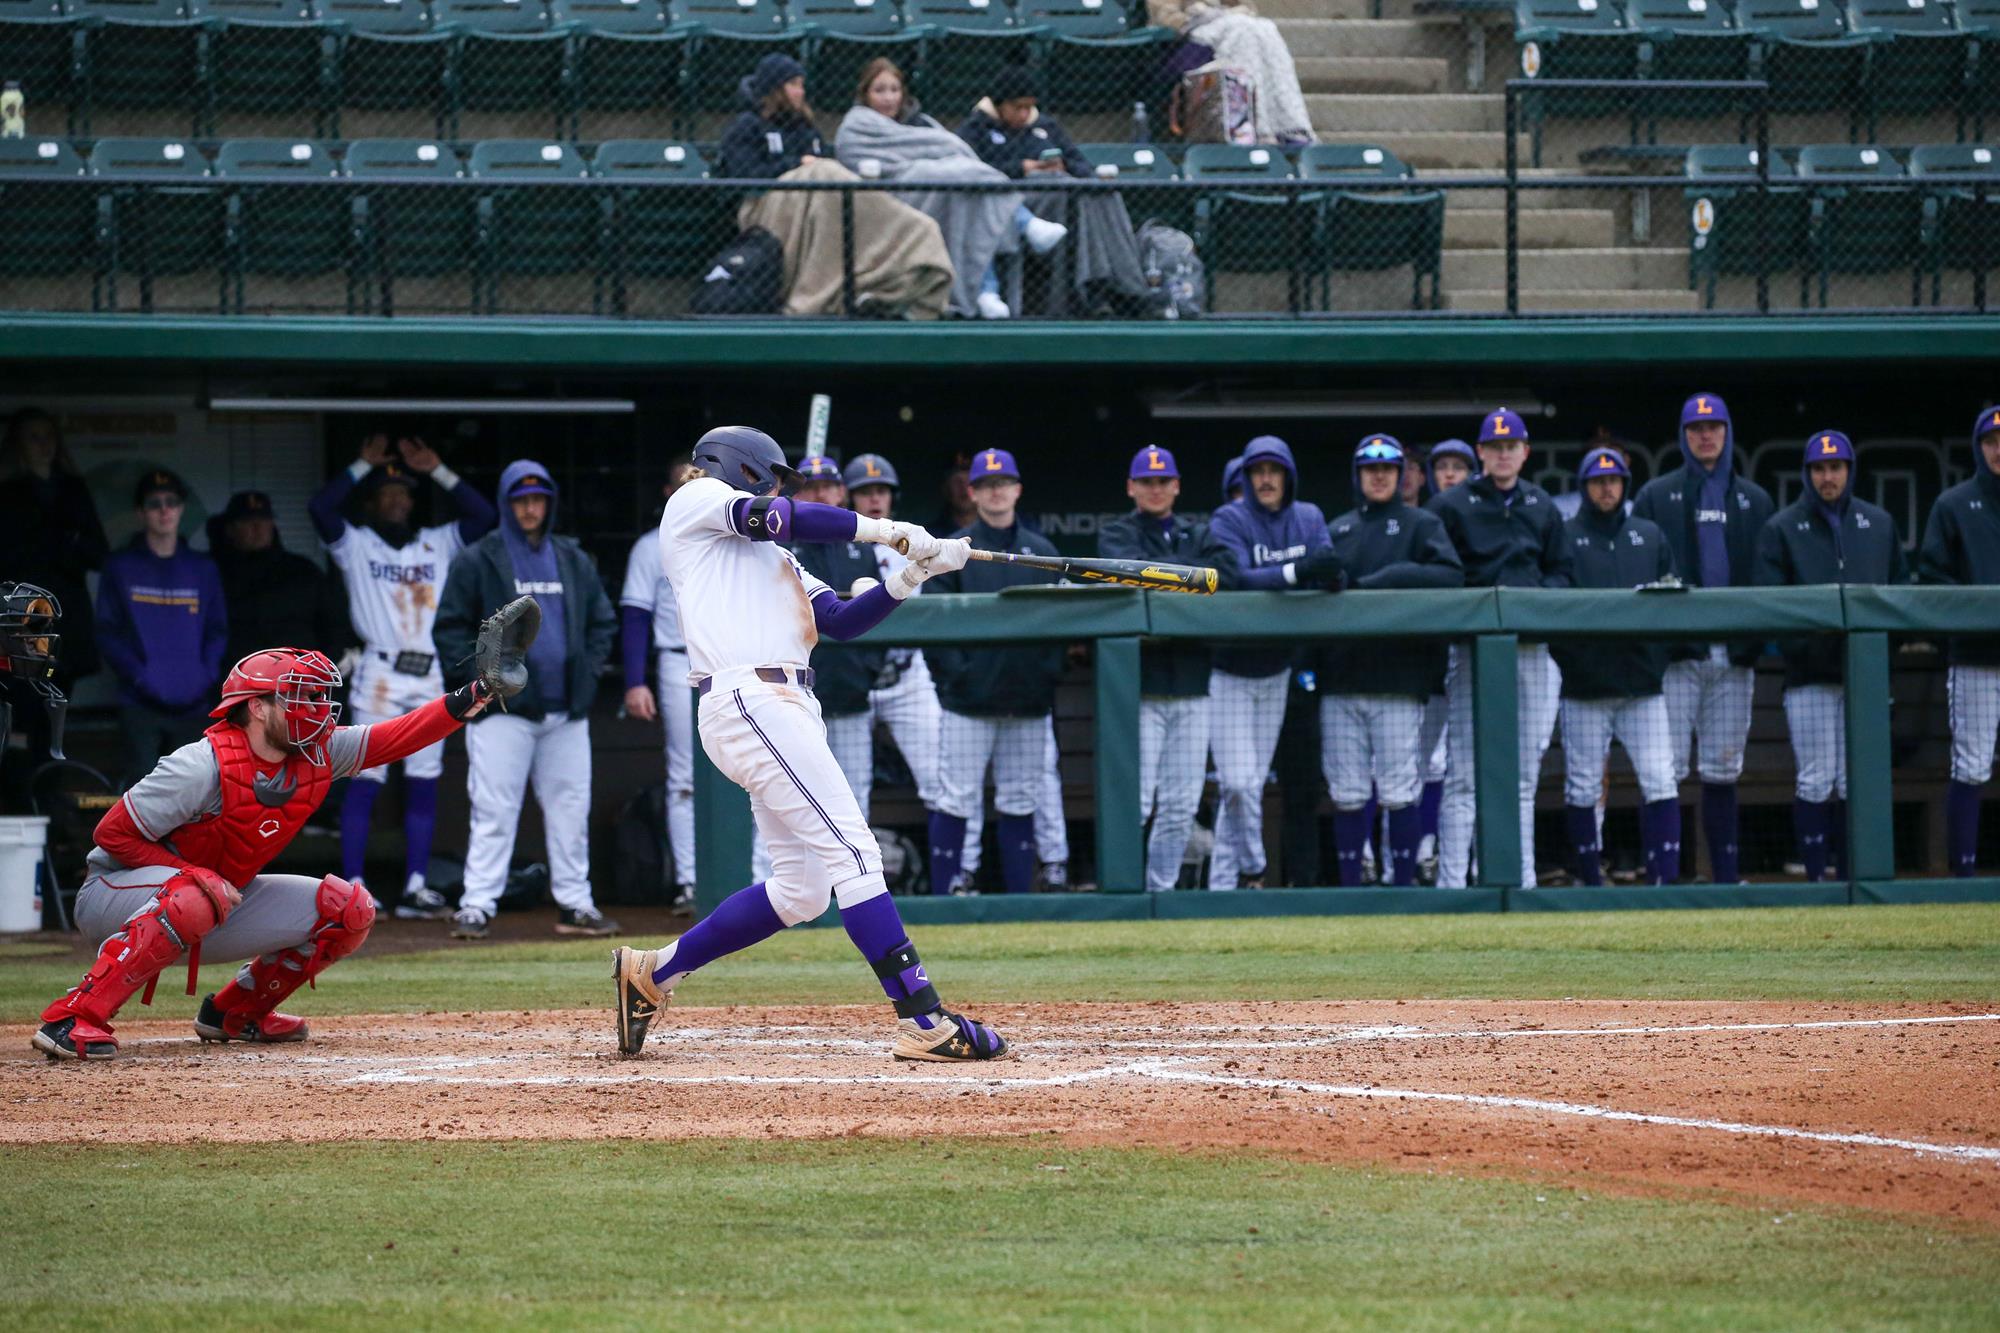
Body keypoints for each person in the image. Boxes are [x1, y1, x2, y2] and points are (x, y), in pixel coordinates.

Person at [609, 425, 1009, 1063]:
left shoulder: (779, 560)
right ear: (744, 469)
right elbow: (775, 515)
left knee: (801, 889)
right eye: (771, 475)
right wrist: (883, 529)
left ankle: (652, 973)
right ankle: (924, 1019)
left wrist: (914, 574)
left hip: (786, 704)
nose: (775, 485)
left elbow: (843, 622)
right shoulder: (695, 500)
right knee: (855, 851)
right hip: (750, 698)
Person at [31, 646, 497, 1060]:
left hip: (212, 897)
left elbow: (395, 736)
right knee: (195, 894)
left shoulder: (317, 752)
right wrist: (191, 872)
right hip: (114, 894)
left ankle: (235, 1013)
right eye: (300, 698)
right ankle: (71, 1018)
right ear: (256, 707)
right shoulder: (199, 766)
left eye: (318, 697)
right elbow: (112, 836)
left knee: (348, 908)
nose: (316, 710)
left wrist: (471, 694)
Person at [310, 434, 497, 920]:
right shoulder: (358, 543)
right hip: (378, 670)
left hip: (428, 668)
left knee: (423, 780)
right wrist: (359, 464)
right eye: (387, 493)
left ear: (413, 502)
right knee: (365, 777)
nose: (396, 500)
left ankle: (415, 885)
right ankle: (353, 884)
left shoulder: (435, 542)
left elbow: (483, 516)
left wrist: (438, 469)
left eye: (404, 494)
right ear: (374, 502)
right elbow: (320, 510)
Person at [434, 461, 618, 939]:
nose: (531, 508)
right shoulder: (480, 557)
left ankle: (576, 904)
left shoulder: (572, 557)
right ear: (506, 504)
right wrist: (483, 676)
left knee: (570, 810)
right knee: (493, 809)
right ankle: (476, 905)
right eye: (521, 500)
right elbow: (449, 628)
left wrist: (588, 677)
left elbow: (603, 623)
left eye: (538, 499)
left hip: (566, 711)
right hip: (503, 710)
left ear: (550, 503)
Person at [1630, 393, 1775, 885]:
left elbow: (1766, 580)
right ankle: (1663, 879)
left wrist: (1752, 644)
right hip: (1677, 656)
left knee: (1723, 766)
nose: (1705, 435)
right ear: (1683, 435)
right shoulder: (1657, 494)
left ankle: (1726, 878)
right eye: (1695, 428)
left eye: (1713, 427)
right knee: (1664, 768)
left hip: (1733, 655)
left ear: (1727, 432)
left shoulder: (1755, 500)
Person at [1754, 431, 1908, 882]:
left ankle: (1856, 873)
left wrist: (1880, 653)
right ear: (1807, 473)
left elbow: (1901, 595)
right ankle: (1818, 878)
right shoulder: (1782, 527)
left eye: (1836, 467)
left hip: (1866, 677)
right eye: (1819, 469)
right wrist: (1809, 649)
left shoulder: (1877, 523)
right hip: (1810, 679)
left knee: (1857, 782)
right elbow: (1769, 606)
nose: (1828, 476)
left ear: (1849, 470)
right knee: (1817, 779)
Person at [1432, 409, 1574, 888]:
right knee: (1465, 773)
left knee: (1522, 774)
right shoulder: (1452, 505)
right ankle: (1452, 883)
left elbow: (1562, 572)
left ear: (1525, 452)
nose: (1503, 454)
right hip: (1474, 650)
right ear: (1481, 452)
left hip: (1531, 650)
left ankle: (1521, 880)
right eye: (1494, 447)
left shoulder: (1542, 504)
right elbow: (1439, 573)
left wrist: (1536, 604)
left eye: (1511, 446)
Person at [1318, 436, 1463, 886]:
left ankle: (1402, 889)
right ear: (1357, 476)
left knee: (1401, 790)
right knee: (1347, 792)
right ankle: (1351, 890)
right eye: (1369, 469)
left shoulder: (1422, 523)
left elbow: (1451, 577)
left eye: (1387, 468)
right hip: (1341, 680)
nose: (1378, 476)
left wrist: (1387, 579)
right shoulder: (1338, 528)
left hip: (1401, 679)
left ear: (1401, 474)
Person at [924, 448, 1067, 895]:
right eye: (987, 484)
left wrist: (1045, 677)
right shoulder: (956, 550)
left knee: (1020, 800)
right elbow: (935, 626)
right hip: (968, 706)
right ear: (973, 492)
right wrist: (959, 678)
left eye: (1004, 482)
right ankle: (946, 894)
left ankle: (1019, 899)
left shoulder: (1041, 551)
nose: (997, 490)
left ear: (1018, 489)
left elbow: (1063, 629)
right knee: (956, 798)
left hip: (1027, 704)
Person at [1098, 445, 1238, 891]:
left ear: (1176, 486)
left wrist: (1172, 590)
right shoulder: (1117, 534)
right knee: (1135, 802)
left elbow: (1227, 576)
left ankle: (1161, 889)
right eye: (1146, 482)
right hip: (1137, 688)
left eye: (1163, 482)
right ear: (1131, 487)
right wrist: (1189, 587)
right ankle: (1126, 889)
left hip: (1193, 685)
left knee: (1180, 804)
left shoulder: (1199, 534)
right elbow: (1130, 580)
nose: (1155, 489)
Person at [835, 58, 1068, 321]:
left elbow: (950, 147)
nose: (889, 98)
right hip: (894, 194)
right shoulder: (856, 126)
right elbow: (860, 159)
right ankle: (1025, 223)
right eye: (879, 90)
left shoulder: (921, 122)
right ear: (865, 94)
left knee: (968, 196)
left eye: (894, 89)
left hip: (945, 189)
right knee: (951, 173)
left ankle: (986, 292)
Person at [722, 54, 952, 319]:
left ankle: (894, 272)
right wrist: (797, 165)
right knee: (826, 171)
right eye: (794, 84)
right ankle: (816, 294)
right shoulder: (746, 126)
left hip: (816, 203)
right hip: (765, 210)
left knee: (912, 222)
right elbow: (743, 179)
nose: (801, 91)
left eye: (802, 84)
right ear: (776, 89)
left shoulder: (804, 128)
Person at [1205, 435, 1338, 889]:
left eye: (1274, 471)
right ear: (1245, 477)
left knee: (1246, 791)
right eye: (1257, 471)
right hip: (1231, 672)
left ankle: (1224, 890)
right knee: (1239, 786)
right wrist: (1295, 574)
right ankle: (1254, 867)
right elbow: (1239, 577)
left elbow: (1325, 561)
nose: (1265, 479)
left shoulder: (1310, 516)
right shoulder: (1230, 517)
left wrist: (1330, 576)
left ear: (1288, 476)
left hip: (1278, 670)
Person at [1551, 449, 1682, 886]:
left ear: (1625, 485)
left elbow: (1673, 598)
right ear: (1584, 487)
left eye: (1614, 480)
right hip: (1585, 688)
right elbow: (1550, 606)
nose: (1606, 488)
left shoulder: (1648, 533)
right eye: (1597, 480)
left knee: (1660, 778)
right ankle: (1591, 879)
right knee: (1583, 785)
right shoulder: (1566, 535)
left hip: (1642, 686)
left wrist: (1655, 659)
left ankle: (1664, 878)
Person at [956, 66, 1149, 317]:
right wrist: (1021, 168)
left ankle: (1126, 286)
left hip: (1060, 186)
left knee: (1104, 193)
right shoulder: (975, 128)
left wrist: (1064, 166)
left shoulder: (1046, 126)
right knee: (1070, 194)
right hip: (1014, 200)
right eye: (1018, 107)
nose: (1025, 114)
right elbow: (969, 170)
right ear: (1000, 104)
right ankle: (1093, 289)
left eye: (1029, 106)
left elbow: (1079, 163)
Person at [95, 469, 228, 788]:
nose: (164, 510)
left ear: (181, 509)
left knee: (194, 791)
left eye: (171, 502)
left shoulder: (203, 568)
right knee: (142, 791)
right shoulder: (120, 566)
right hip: (139, 701)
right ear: (141, 513)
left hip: (194, 701)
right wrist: (139, 676)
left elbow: (217, 629)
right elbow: (107, 631)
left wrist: (206, 675)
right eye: (155, 504)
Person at [1919, 408, 2000, 877]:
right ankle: (1963, 875)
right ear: (1978, 446)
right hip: (1975, 660)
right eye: (1991, 440)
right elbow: (1932, 578)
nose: (1998, 449)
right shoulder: (1954, 504)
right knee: (1971, 766)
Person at [844, 453, 945, 827]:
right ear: (849, 498)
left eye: (881, 491)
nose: (874, 499)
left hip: (905, 676)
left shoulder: (915, 541)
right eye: (865, 491)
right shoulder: (839, 547)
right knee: (850, 794)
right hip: (855, 682)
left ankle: (953, 882)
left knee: (939, 780)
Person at [619, 463, 700, 906]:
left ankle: (756, 877)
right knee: (684, 776)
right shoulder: (651, 547)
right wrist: (634, 681)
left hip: (729, 662)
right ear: (669, 491)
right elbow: (635, 615)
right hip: (675, 662)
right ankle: (690, 880)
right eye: (683, 482)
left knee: (749, 771)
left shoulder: (723, 537)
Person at [0, 408, 107, 712]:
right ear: (18, 444)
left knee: (57, 700)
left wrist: (70, 543)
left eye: (49, 437)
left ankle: (52, 759)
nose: (44, 444)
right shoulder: (7, 494)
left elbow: (99, 553)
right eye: (34, 438)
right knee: (21, 706)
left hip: (65, 614)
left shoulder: (73, 489)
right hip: (20, 617)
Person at [1413, 437, 1478, 878]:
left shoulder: (1481, 515)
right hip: (1424, 657)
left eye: (1459, 466)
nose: (1449, 474)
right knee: (1411, 764)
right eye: (1443, 466)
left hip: (1472, 651)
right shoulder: (1421, 520)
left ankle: (1456, 862)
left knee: (1461, 768)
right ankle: (1406, 858)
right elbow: (1213, 581)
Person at [208, 490, 346, 688]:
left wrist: (317, 675)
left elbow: (334, 627)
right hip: (235, 688)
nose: (257, 527)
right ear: (230, 529)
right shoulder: (213, 574)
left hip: (295, 687)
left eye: (264, 520)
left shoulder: (303, 572)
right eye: (247, 521)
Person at [1148, 0, 1315, 144]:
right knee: (1239, 30)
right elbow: (1162, 16)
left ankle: (1291, 127)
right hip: (1188, 38)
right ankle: (1258, 129)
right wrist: (1195, 17)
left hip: (1229, 27)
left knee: (1266, 27)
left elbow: (1248, 9)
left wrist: (1227, 12)